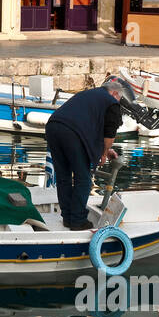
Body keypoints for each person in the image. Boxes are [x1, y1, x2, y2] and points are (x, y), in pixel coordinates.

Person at [45, 79, 124, 230]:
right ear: (115, 93)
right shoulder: (111, 103)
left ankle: (68, 218)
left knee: (64, 177)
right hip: (71, 133)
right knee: (83, 179)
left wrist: (104, 149)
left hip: (53, 126)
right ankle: (77, 221)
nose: (118, 102)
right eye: (119, 99)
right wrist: (104, 153)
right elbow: (109, 134)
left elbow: (89, 126)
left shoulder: (90, 95)